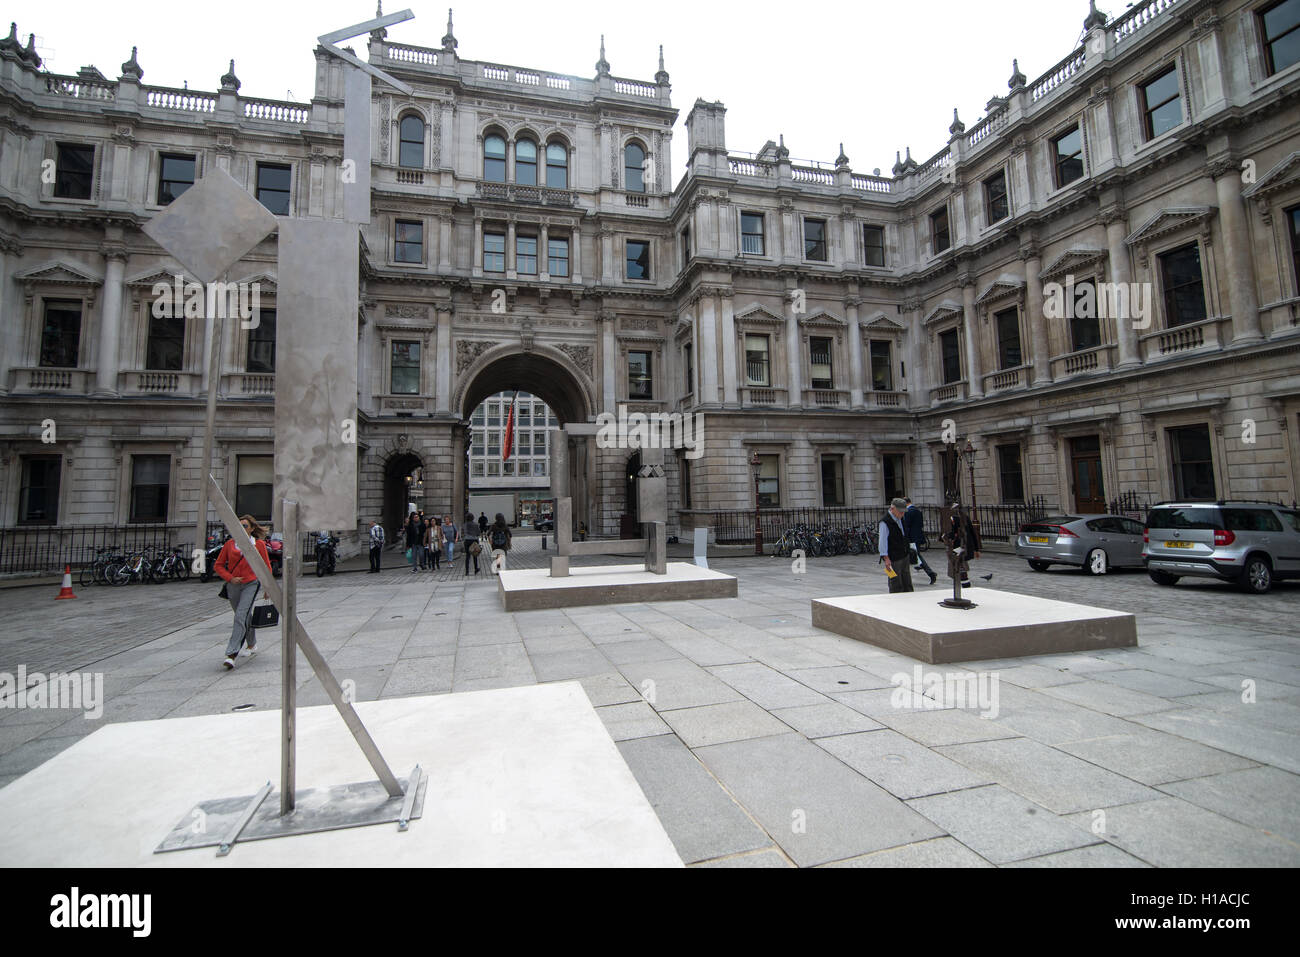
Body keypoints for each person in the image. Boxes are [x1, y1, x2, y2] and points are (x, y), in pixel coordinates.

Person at [215, 515, 272, 670]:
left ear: (252, 528)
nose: (242, 529)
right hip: (233, 586)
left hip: (251, 584)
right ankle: (252, 644)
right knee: (244, 615)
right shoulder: (229, 545)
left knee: (240, 615)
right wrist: (230, 578)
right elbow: (218, 565)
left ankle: (231, 654)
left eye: (245, 526)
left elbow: (266, 566)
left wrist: (268, 588)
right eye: (239, 526)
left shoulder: (258, 545)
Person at [944, 502, 983, 589]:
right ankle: (963, 582)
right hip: (966, 546)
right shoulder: (965, 517)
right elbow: (973, 533)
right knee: (960, 564)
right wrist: (976, 549)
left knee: (958, 564)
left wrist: (946, 539)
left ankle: (964, 583)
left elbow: (951, 533)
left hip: (958, 546)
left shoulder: (953, 519)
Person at [878, 498, 913, 594]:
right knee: (895, 582)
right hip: (894, 556)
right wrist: (886, 558)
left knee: (907, 580)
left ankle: (909, 598)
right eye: (900, 512)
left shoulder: (901, 519)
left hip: (904, 554)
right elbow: (882, 541)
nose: (902, 514)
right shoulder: (885, 522)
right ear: (892, 509)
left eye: (903, 512)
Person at [903, 497, 938, 586]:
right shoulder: (917, 511)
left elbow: (906, 526)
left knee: (916, 556)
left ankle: (930, 573)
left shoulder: (908, 512)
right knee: (915, 556)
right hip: (917, 537)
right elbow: (921, 524)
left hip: (911, 538)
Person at [463, 510, 481, 575]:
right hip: (474, 540)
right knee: (475, 555)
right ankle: (476, 569)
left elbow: (464, 532)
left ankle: (467, 571)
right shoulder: (476, 524)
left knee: (467, 556)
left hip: (467, 540)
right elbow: (478, 533)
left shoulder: (465, 525)